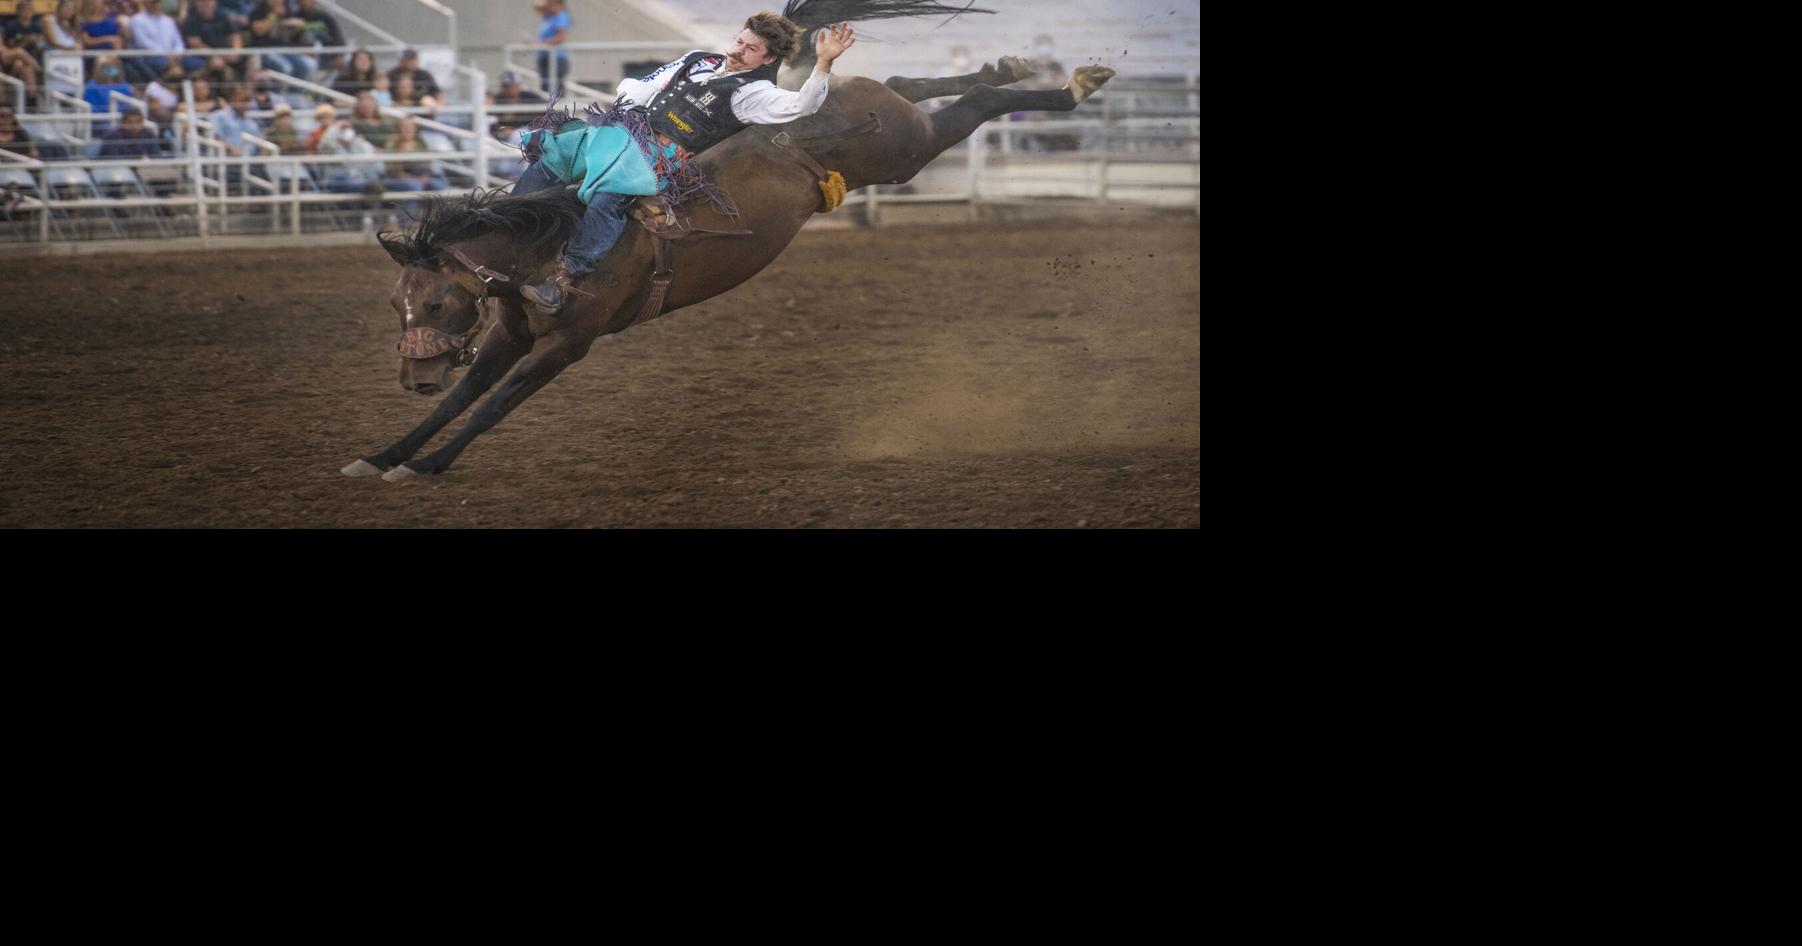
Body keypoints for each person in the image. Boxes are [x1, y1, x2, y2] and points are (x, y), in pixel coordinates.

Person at [517, 13, 855, 313]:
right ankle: (507, 223)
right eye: (740, 40)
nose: (738, 49)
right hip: (626, 130)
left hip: (659, 160)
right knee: (554, 154)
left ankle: (564, 279)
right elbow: (647, 84)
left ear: (767, 59)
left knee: (609, 196)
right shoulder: (699, 59)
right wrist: (631, 106)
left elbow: (803, 105)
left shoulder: (754, 93)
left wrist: (823, 64)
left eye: (750, 49)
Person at [126, 0, 185, 84]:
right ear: (145, 3)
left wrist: (177, 53)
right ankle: (167, 87)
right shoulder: (137, 20)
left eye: (158, 2)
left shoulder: (168, 20)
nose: (156, 5)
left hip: (174, 57)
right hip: (151, 56)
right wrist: (166, 55)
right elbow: (142, 42)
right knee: (166, 65)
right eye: (153, 2)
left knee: (196, 64)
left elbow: (178, 42)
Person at [532, 1, 570, 96]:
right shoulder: (549, 17)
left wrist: (541, 43)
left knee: (555, 90)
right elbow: (536, 6)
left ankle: (558, 110)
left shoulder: (561, 16)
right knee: (545, 89)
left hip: (555, 58)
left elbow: (560, 38)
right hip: (545, 58)